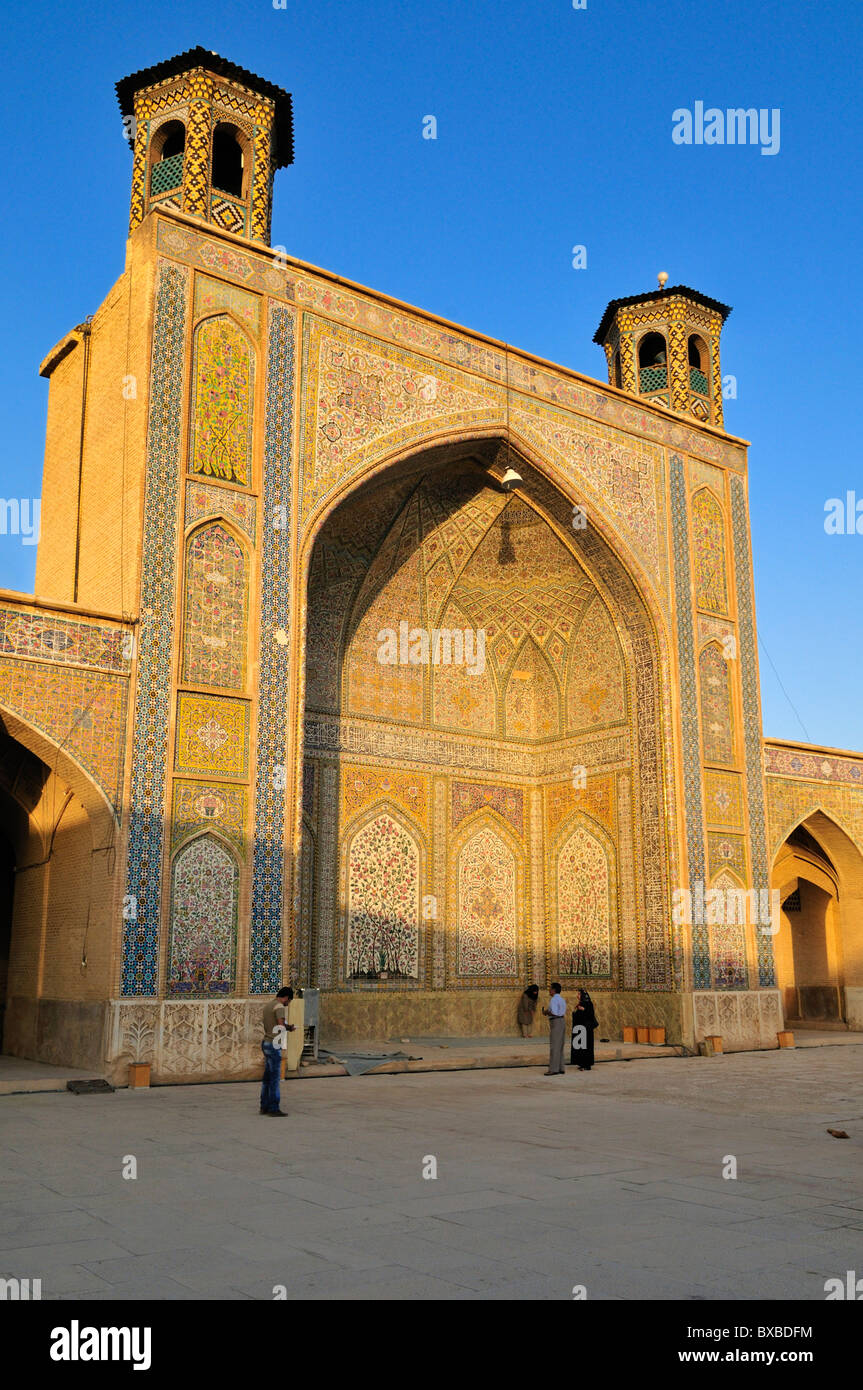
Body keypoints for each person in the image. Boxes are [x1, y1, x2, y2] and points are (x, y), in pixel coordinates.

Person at [260, 986, 295, 1116]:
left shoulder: (269, 1005)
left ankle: (264, 1106)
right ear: (286, 998)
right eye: (289, 1001)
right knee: (275, 1078)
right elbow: (280, 1026)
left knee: (267, 1077)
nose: (288, 1004)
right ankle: (273, 1108)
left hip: (266, 1042)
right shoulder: (279, 1007)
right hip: (274, 1044)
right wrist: (289, 1027)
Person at [541, 982, 567, 1074]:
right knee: (560, 1046)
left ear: (554, 990)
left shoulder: (553, 1000)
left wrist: (546, 1013)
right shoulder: (562, 999)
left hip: (556, 1022)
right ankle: (561, 1068)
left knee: (554, 1046)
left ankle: (553, 1069)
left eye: (550, 988)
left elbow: (554, 1013)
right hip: (562, 1021)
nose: (549, 990)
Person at [570, 987, 598, 1070]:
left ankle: (587, 1065)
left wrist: (583, 1009)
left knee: (586, 1047)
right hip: (580, 1028)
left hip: (586, 1029)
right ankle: (582, 1063)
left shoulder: (588, 1003)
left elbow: (590, 1015)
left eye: (579, 994)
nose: (577, 995)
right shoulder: (581, 1003)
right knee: (581, 1046)